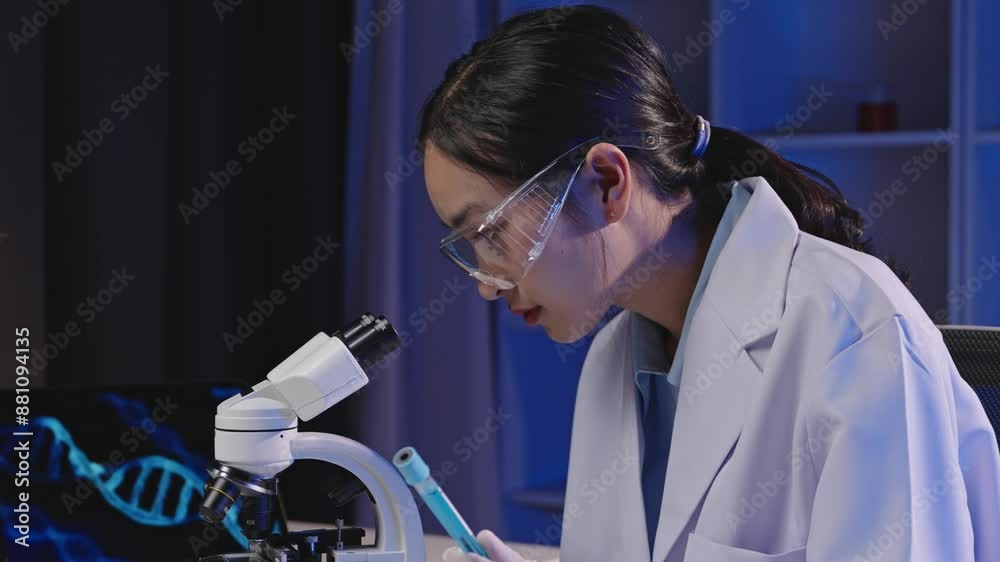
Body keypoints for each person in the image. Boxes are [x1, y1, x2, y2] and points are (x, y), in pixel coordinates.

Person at [421, 6, 1000, 561]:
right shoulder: (614, 360)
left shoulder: (855, 332)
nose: (486, 284)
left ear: (607, 182)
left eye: (490, 232)